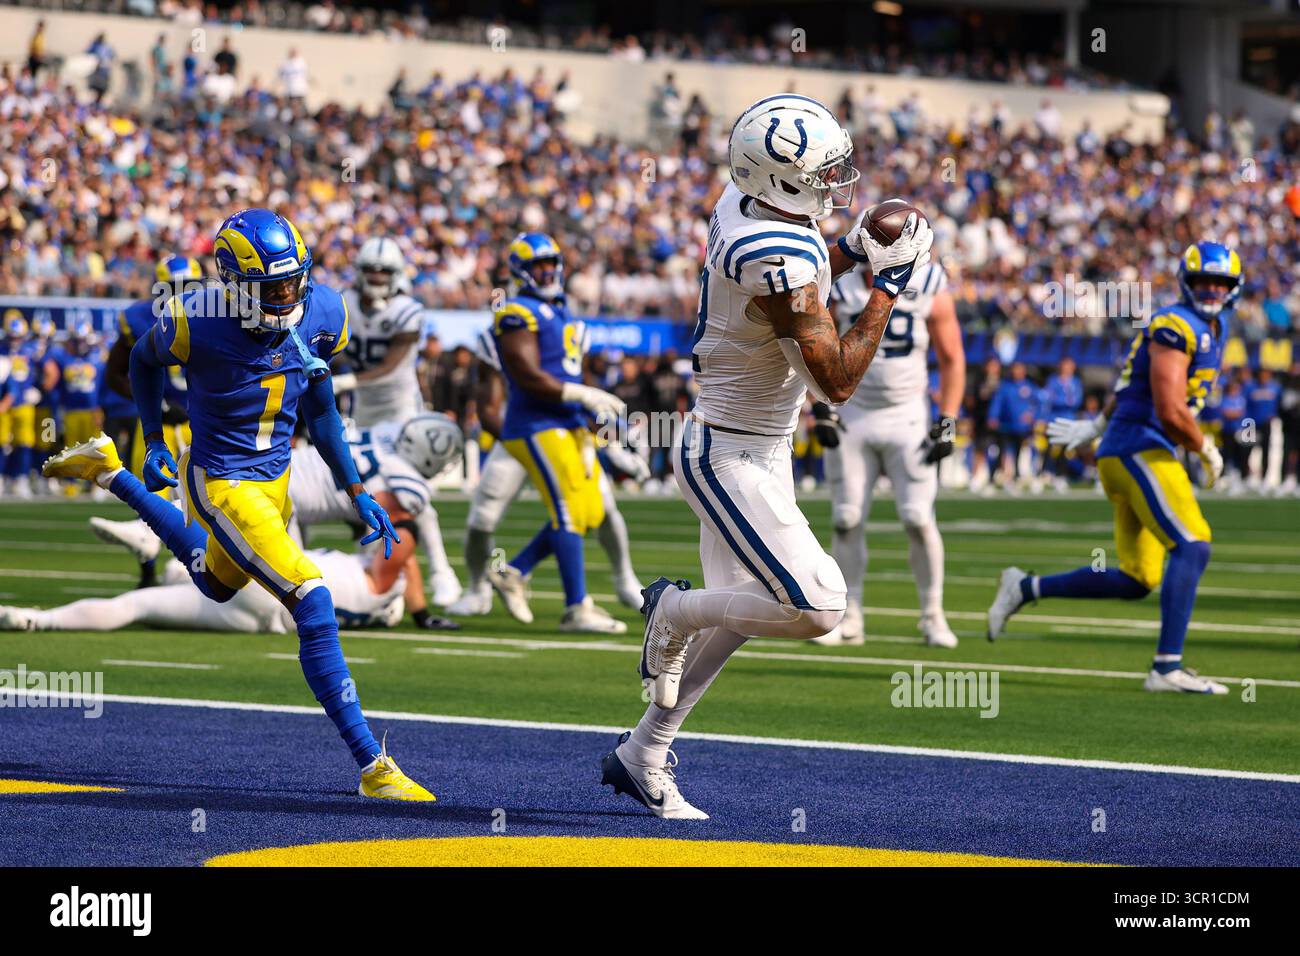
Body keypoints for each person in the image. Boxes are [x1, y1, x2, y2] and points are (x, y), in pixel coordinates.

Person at [601, 93, 932, 819]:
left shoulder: (748, 203)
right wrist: (889, 287)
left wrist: (851, 253)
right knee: (817, 605)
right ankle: (672, 608)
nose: (836, 184)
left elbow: (801, 287)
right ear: (779, 178)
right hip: (726, 453)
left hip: (756, 442)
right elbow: (836, 382)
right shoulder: (774, 252)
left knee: (746, 614)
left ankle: (643, 753)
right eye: (822, 172)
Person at [42, 208, 433, 799]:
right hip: (221, 479)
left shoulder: (324, 309)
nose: (287, 295)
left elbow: (322, 412)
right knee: (312, 596)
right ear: (232, 282)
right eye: (272, 286)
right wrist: (153, 438)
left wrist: (355, 489)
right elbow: (142, 362)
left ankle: (110, 474)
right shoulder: (194, 320)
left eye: (293, 280)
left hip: (275, 477)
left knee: (216, 585)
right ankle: (373, 764)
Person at [996, 242, 1238, 694]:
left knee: (1138, 577)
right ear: (1187, 283)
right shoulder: (1175, 324)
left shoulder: (1208, 325)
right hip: (1141, 448)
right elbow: (1168, 408)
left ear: (1232, 288)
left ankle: (1025, 588)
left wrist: (1096, 425)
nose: (1210, 290)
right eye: (1203, 281)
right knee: (1193, 545)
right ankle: (1166, 668)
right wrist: (1204, 446)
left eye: (1219, 283)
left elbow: (1129, 384)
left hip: (1127, 447)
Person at [815, 255, 965, 648]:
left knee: (917, 517)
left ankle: (933, 615)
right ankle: (850, 617)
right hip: (853, 412)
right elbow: (815, 348)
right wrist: (821, 407)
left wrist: (948, 418)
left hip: (907, 415)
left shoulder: (930, 282)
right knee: (846, 518)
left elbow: (951, 357)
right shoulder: (841, 283)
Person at [484, 232, 629, 634]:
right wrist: (583, 393)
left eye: (551, 264)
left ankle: (515, 570)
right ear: (521, 271)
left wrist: (598, 427)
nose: (547, 272)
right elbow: (527, 375)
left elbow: (566, 372)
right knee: (567, 510)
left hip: (565, 422)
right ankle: (577, 607)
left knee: (591, 512)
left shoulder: (562, 310)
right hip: (534, 423)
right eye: (538, 266)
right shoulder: (516, 311)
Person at [448, 325, 644, 618]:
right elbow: (488, 408)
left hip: (566, 436)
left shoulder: (568, 332)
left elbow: (589, 399)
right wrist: (525, 448)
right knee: (482, 519)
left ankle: (624, 579)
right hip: (516, 436)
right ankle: (478, 590)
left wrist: (611, 445)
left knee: (600, 509)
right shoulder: (500, 337)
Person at [335, 237, 426, 428]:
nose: (377, 276)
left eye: (384, 271)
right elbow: (332, 351)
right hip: (361, 404)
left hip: (399, 405)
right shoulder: (344, 302)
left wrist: (344, 381)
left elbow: (389, 366)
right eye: (371, 270)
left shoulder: (406, 311)